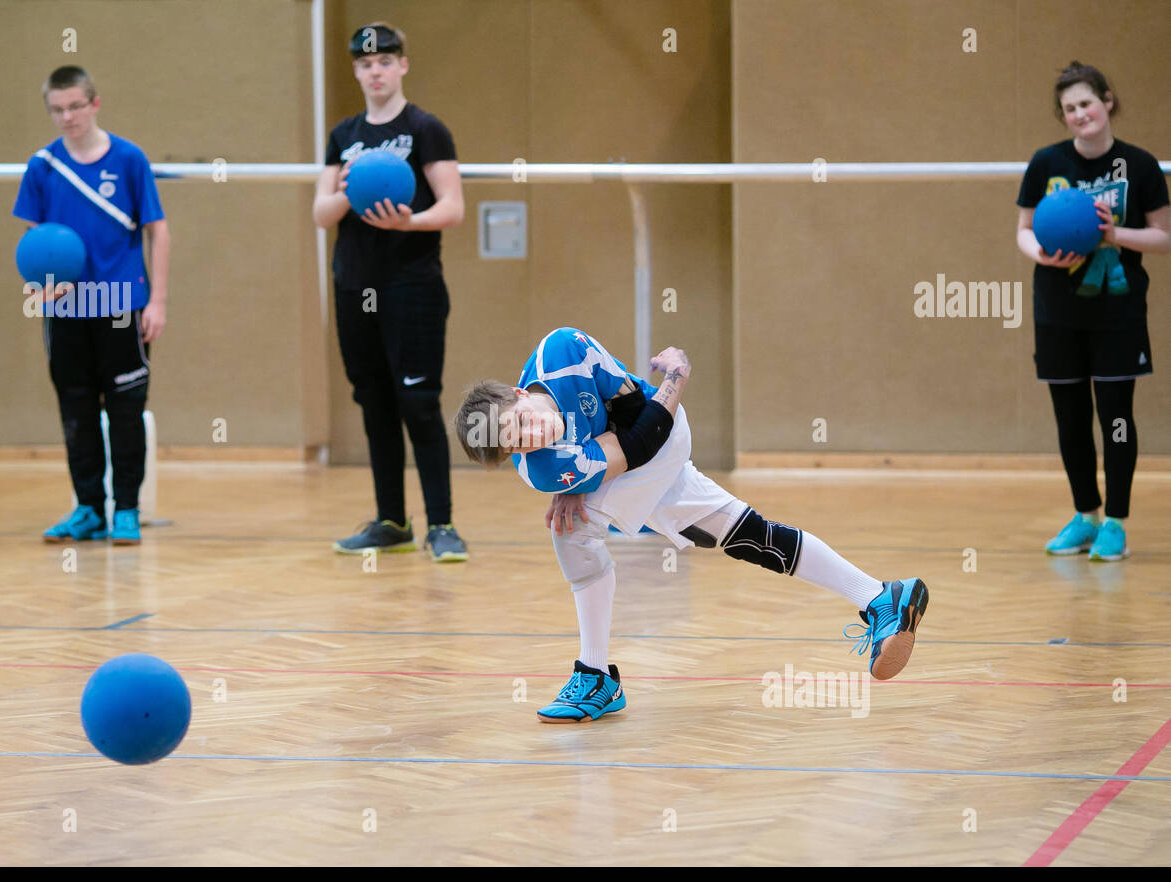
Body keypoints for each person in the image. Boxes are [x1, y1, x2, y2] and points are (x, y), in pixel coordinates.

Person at [454, 328, 930, 722]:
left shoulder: (563, 351)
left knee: (574, 532)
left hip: (659, 428)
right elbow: (630, 450)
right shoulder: (541, 468)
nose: (532, 439)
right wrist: (675, 377)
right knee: (746, 536)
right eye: (518, 446)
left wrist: (675, 381)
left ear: (519, 395)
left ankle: (595, 675)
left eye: (522, 423)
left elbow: (641, 423)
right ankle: (880, 596)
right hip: (636, 452)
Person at [313, 22, 467, 562]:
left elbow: (452, 206)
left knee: (419, 404)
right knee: (374, 403)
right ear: (356, 71)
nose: (375, 70)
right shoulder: (342, 135)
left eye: (385, 61)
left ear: (402, 65)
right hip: (354, 286)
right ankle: (391, 521)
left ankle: (442, 525)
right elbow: (320, 212)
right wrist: (349, 183)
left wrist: (408, 223)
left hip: (412, 286)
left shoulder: (426, 129)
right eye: (365, 64)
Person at [1016, 61, 1169, 561]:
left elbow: (1164, 236)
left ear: (1107, 101)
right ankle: (1086, 516)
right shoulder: (1045, 163)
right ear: (1063, 118)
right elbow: (1023, 229)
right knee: (1070, 418)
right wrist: (1043, 252)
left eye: (1086, 103)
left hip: (1117, 313)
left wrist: (1111, 234)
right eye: (1069, 109)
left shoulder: (1141, 166)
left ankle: (1116, 524)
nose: (1079, 114)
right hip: (1057, 311)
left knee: (1116, 417)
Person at [15, 65, 169, 545]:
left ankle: (126, 509)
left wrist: (157, 300)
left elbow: (157, 230)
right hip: (65, 312)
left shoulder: (128, 159)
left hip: (122, 304)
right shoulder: (42, 166)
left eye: (75, 106)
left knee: (125, 410)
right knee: (76, 410)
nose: (67, 117)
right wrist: (41, 288)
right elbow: (34, 239)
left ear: (95, 103)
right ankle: (88, 509)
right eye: (57, 110)